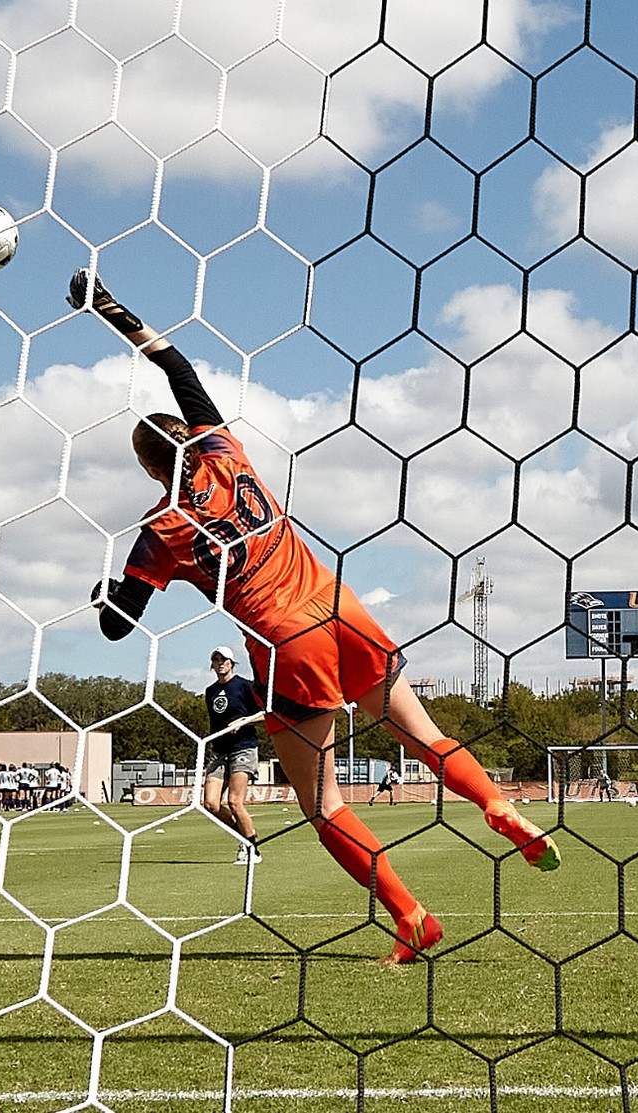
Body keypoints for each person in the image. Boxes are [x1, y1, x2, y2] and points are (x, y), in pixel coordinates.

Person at [76, 269, 559, 964]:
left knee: (323, 801)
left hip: (287, 642)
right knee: (424, 734)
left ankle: (411, 914)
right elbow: (177, 365)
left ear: (153, 473)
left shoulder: (163, 529)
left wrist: (107, 592)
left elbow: (118, 626)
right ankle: (496, 804)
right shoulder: (227, 454)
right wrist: (110, 307)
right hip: (341, 606)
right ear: (194, 436)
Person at [202, 645, 263, 862]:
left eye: (224, 660)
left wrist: (244, 720)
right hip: (219, 752)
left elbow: (267, 713)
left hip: (243, 748)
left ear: (231, 663)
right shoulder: (210, 692)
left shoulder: (245, 687)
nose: (220, 663)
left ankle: (252, 850)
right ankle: (246, 835)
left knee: (235, 802)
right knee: (210, 804)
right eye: (216, 659)